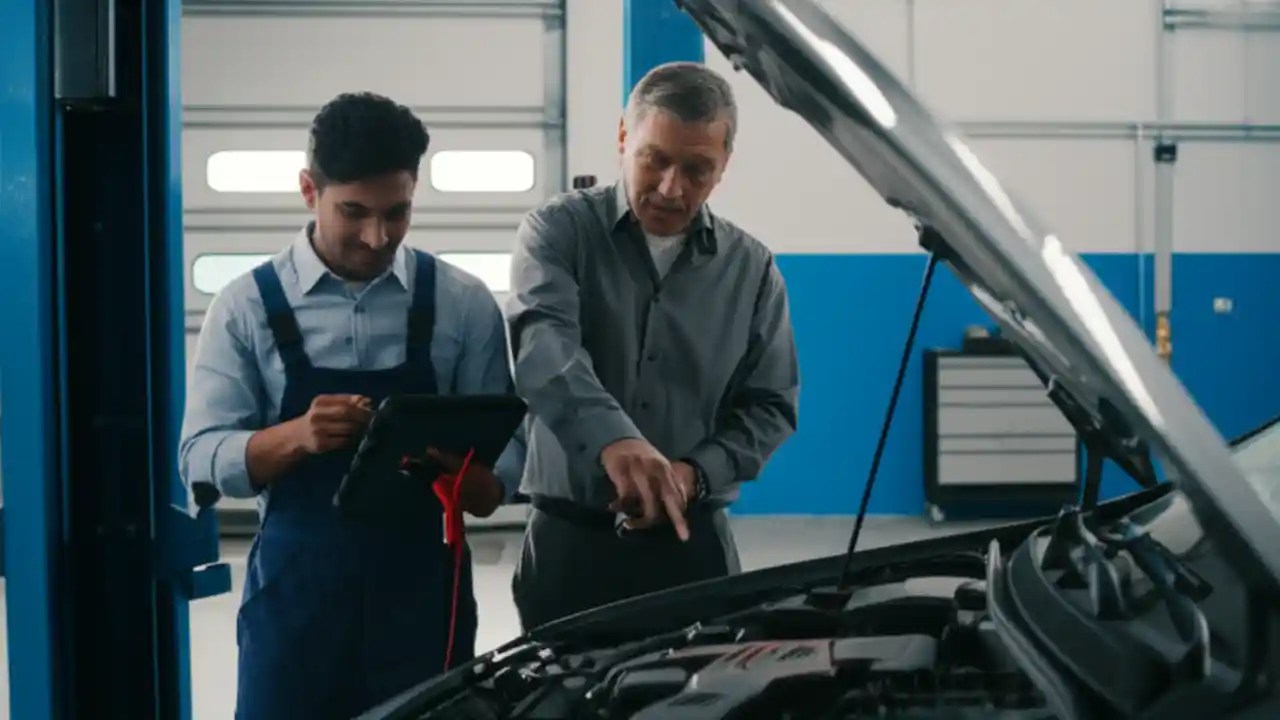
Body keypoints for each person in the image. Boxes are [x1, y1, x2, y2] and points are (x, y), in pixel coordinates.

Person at [177, 91, 522, 719]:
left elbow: (507, 462)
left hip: (425, 600)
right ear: (309, 190)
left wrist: (476, 483)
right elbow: (199, 457)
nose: (376, 236)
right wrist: (297, 437)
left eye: (397, 212)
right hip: (296, 600)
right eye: (354, 211)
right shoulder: (246, 308)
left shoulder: (464, 305)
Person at [505, 61, 801, 630]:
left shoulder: (753, 270)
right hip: (570, 548)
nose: (672, 188)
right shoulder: (557, 233)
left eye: (697, 169)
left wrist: (691, 475)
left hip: (693, 549)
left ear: (723, 167)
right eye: (655, 160)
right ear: (623, 136)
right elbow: (545, 349)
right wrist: (617, 442)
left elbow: (771, 407)